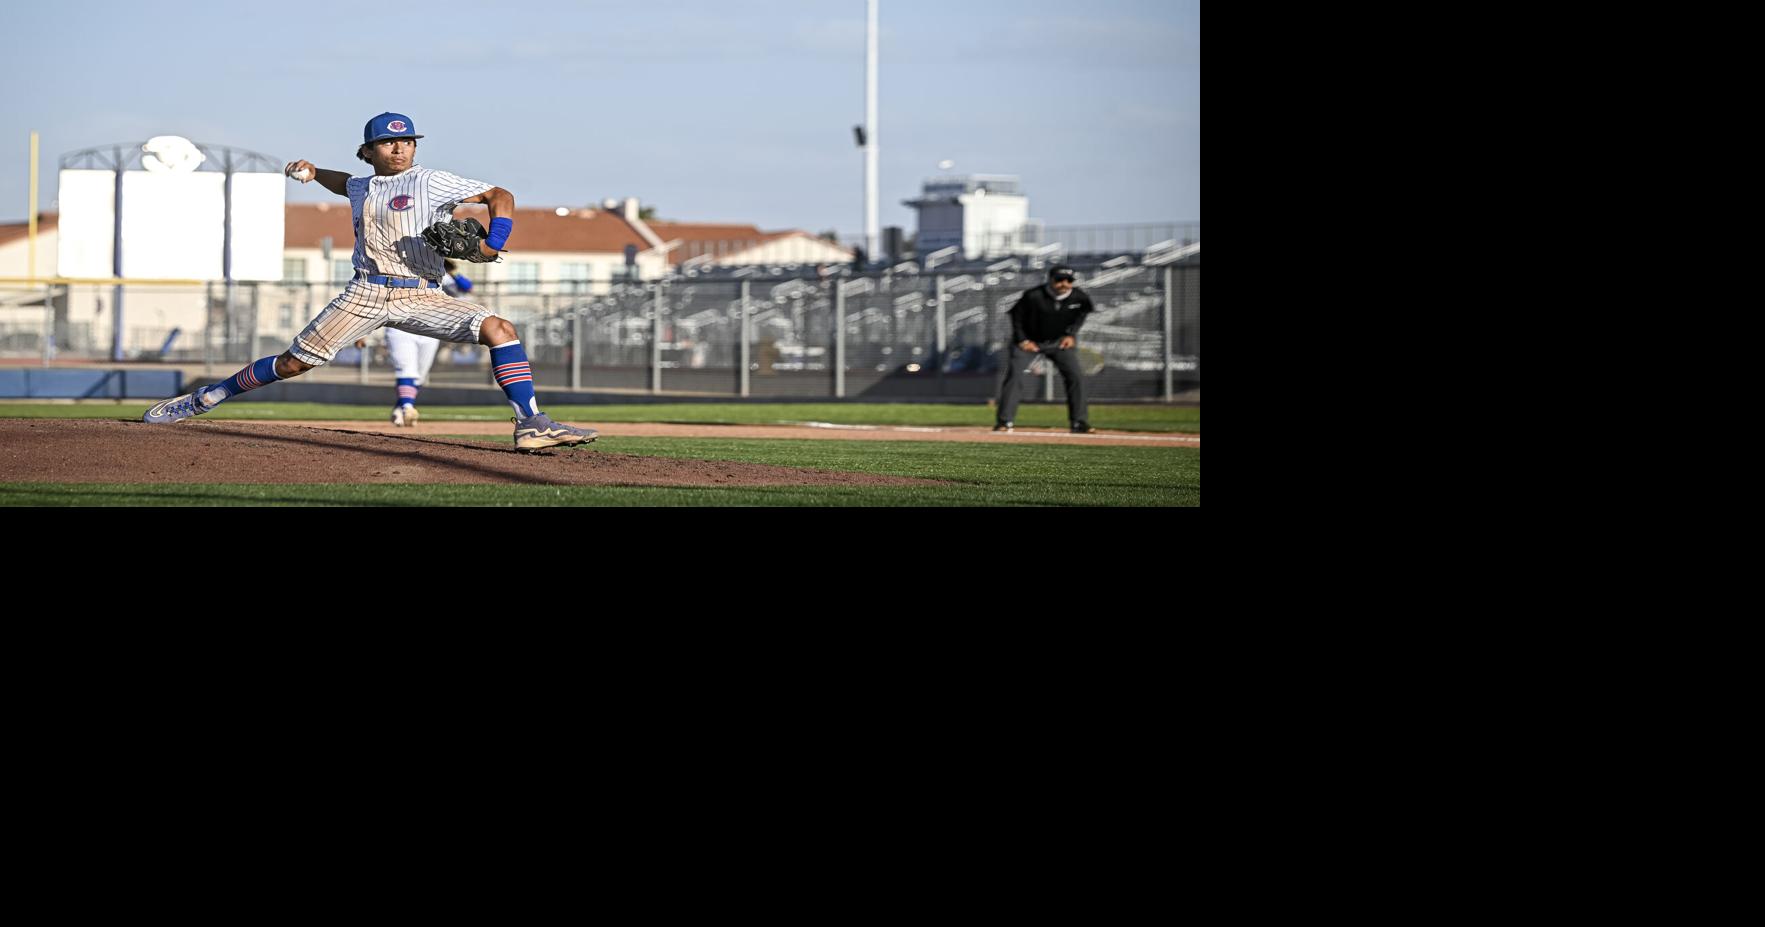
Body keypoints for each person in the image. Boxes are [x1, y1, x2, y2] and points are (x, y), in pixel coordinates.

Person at [141, 112, 597, 451]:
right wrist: (317, 173)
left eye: (407, 142)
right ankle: (206, 398)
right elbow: (346, 184)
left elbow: (500, 196)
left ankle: (531, 423)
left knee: (501, 330)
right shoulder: (363, 186)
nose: (399, 150)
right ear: (369, 151)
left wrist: (495, 244)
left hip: (422, 293)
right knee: (294, 364)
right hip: (365, 292)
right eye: (387, 143)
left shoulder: (432, 182)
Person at [994, 265, 1098, 434]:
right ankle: (1005, 421)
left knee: (1075, 376)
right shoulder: (1033, 296)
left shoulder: (1079, 297)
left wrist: (1071, 335)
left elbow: (1081, 315)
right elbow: (1016, 318)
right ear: (1050, 280)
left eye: (1068, 280)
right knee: (1015, 375)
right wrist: (1023, 340)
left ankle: (1079, 422)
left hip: (1058, 343)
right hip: (1029, 342)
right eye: (1059, 280)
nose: (1064, 284)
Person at [368, 259, 473, 427]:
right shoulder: (400, 270)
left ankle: (400, 407)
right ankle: (408, 408)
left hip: (428, 330)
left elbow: (467, 287)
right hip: (399, 328)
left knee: (420, 376)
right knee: (406, 369)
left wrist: (452, 271)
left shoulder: (441, 277)